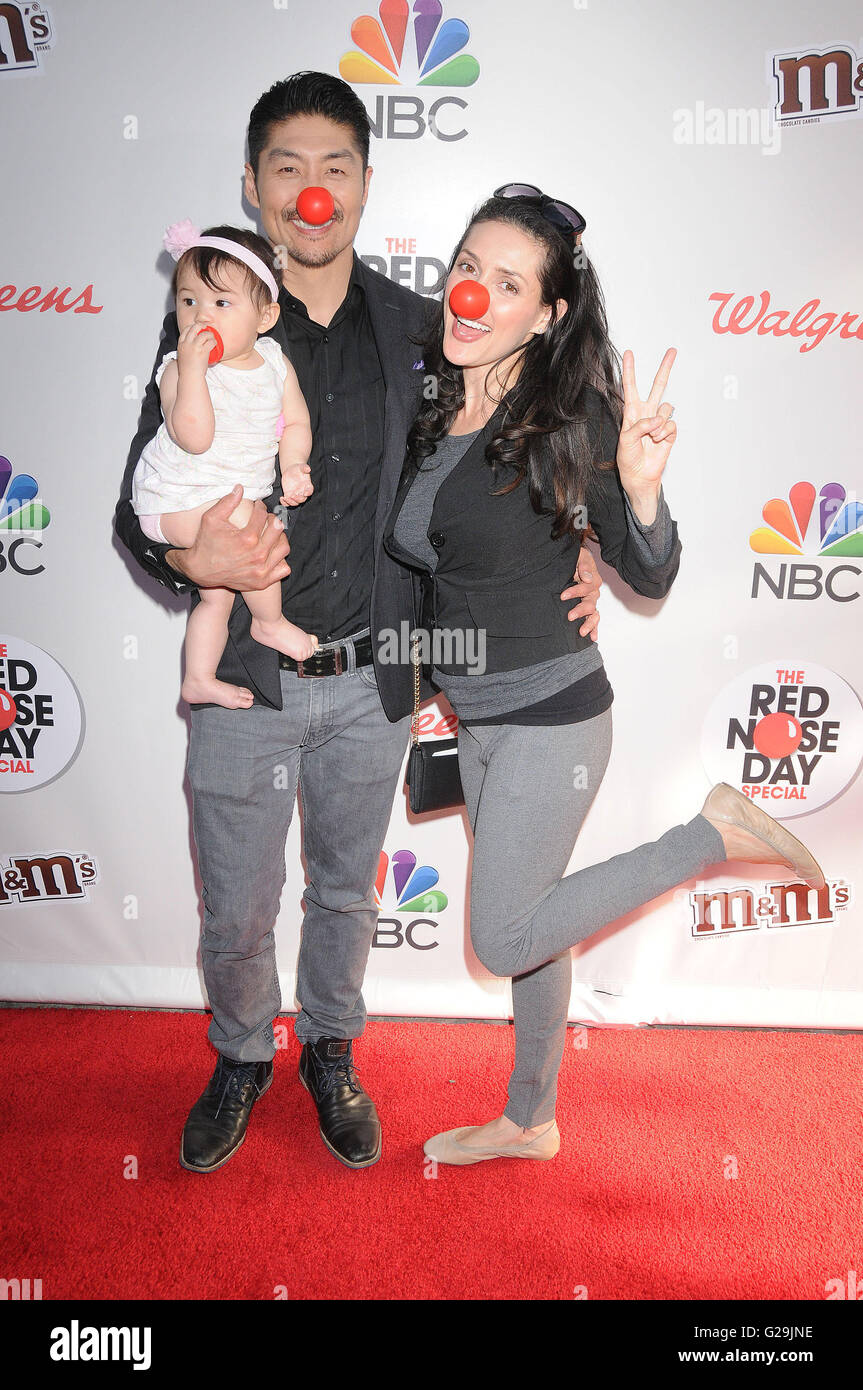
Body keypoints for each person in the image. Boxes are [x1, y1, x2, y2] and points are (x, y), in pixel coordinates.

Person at [114, 74, 603, 1174]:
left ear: (366, 184)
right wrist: (189, 554)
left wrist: (581, 535)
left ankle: (329, 1048)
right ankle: (241, 1052)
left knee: (344, 891)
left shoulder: (423, 328)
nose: (311, 190)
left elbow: (510, 443)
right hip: (243, 676)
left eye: (335, 166)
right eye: (286, 166)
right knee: (237, 906)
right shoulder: (209, 319)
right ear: (252, 183)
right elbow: (134, 499)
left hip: (378, 680)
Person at [382, 188, 826, 1166]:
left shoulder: (570, 412)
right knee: (533, 925)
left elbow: (649, 569)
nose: (473, 294)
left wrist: (637, 488)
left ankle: (707, 835)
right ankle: (529, 1117)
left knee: (501, 937)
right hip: (472, 713)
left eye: (507, 283)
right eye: (466, 267)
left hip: (553, 714)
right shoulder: (424, 402)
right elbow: (434, 569)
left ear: (544, 314)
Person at [131, 221, 319, 709]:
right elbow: (194, 437)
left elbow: (295, 421)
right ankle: (269, 623)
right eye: (188, 300)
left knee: (216, 595)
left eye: (221, 303)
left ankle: (199, 677)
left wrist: (295, 466)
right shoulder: (178, 367)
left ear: (264, 316)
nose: (201, 316)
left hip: (224, 499)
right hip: (172, 497)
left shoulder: (275, 362)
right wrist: (193, 370)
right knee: (253, 527)